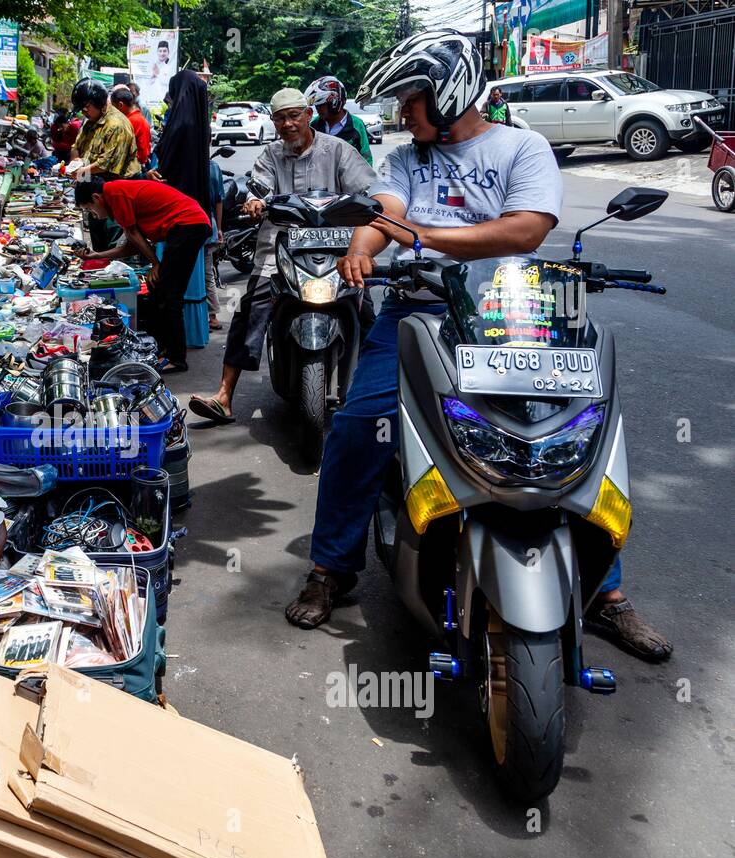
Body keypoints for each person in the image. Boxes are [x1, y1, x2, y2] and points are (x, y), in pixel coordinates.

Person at [285, 30, 671, 662]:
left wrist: (420, 235)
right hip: (419, 312)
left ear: (449, 92)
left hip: (516, 313)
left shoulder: (524, 147)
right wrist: (362, 246)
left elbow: (524, 231)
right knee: (358, 426)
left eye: (411, 100)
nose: (403, 113)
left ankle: (606, 591)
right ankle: (331, 567)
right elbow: (385, 210)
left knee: (576, 429)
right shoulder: (408, 158)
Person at [188, 87, 376, 425]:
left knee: (367, 309)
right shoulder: (272, 154)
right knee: (252, 307)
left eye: (294, 116)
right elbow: (257, 186)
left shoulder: (338, 150)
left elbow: (366, 189)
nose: (288, 124)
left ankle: (380, 391)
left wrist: (365, 205)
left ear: (308, 115)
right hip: (281, 243)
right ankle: (225, 395)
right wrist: (255, 200)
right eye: (281, 118)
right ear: (273, 122)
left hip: (335, 243)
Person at [74, 177, 210, 373]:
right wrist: (97, 255)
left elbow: (133, 235)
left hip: (188, 225)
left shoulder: (114, 193)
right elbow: (131, 245)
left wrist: (155, 263)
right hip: (187, 225)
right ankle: (163, 349)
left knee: (170, 295)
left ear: (96, 197)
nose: (93, 215)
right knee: (157, 291)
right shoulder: (115, 198)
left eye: (89, 208)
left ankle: (177, 358)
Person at [149, 69, 215, 352]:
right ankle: (192, 333)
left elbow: (165, 165)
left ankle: (174, 342)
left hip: (175, 214)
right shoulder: (199, 124)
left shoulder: (179, 126)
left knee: (172, 280)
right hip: (197, 212)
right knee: (192, 274)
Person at [71, 78, 141, 251]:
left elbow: (107, 164)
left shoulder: (117, 125)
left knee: (115, 246)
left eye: (87, 107)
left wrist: (80, 172)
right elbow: (76, 147)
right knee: (98, 246)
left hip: (117, 195)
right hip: (95, 193)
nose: (84, 112)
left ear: (100, 102)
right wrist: (75, 163)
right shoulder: (89, 122)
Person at [306, 75, 374, 165]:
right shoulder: (314, 125)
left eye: (321, 105)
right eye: (316, 106)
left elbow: (366, 158)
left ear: (334, 102)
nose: (318, 109)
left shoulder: (357, 124)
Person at [206, 150, 226, 331]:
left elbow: (219, 199)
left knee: (205, 273)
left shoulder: (186, 166)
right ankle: (212, 315)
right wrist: (218, 228)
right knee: (207, 273)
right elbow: (219, 200)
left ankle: (212, 315)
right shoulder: (214, 167)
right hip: (209, 225)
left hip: (201, 227)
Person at [112, 85, 152, 167]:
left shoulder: (133, 121)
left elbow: (143, 154)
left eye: (114, 107)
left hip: (133, 168)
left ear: (120, 105)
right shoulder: (133, 118)